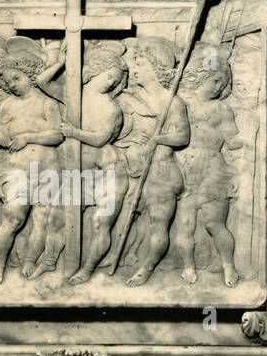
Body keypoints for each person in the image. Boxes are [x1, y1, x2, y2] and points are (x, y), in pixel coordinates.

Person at [102, 36, 191, 287]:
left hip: (162, 172)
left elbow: (183, 136)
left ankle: (147, 267)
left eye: (140, 64)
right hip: (134, 169)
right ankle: (116, 257)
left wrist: (158, 138)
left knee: (157, 223)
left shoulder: (172, 101)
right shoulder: (132, 97)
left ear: (156, 68)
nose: (135, 69)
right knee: (127, 216)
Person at [0, 37, 67, 284]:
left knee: (42, 219)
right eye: (8, 81)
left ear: (30, 74)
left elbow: (57, 134)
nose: (12, 85)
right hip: (17, 169)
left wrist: (28, 137)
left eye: (16, 78)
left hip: (46, 167)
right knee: (13, 217)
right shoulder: (8, 105)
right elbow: (3, 138)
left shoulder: (47, 102)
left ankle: (30, 260)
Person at [173, 41, 242, 287]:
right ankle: (188, 266)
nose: (219, 86)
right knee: (185, 223)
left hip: (213, 167)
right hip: (184, 164)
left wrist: (248, 136)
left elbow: (233, 141)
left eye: (223, 83)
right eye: (214, 80)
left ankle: (228, 266)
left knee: (215, 223)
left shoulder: (223, 109)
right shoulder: (181, 101)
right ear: (199, 76)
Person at [61, 40, 130, 285]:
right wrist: (61, 61)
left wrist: (73, 132)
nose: (112, 81)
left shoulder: (110, 107)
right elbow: (42, 83)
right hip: (79, 170)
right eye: (109, 75)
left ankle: (87, 269)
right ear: (95, 69)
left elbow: (100, 139)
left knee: (101, 223)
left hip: (109, 169)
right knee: (63, 216)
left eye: (116, 79)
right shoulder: (72, 95)